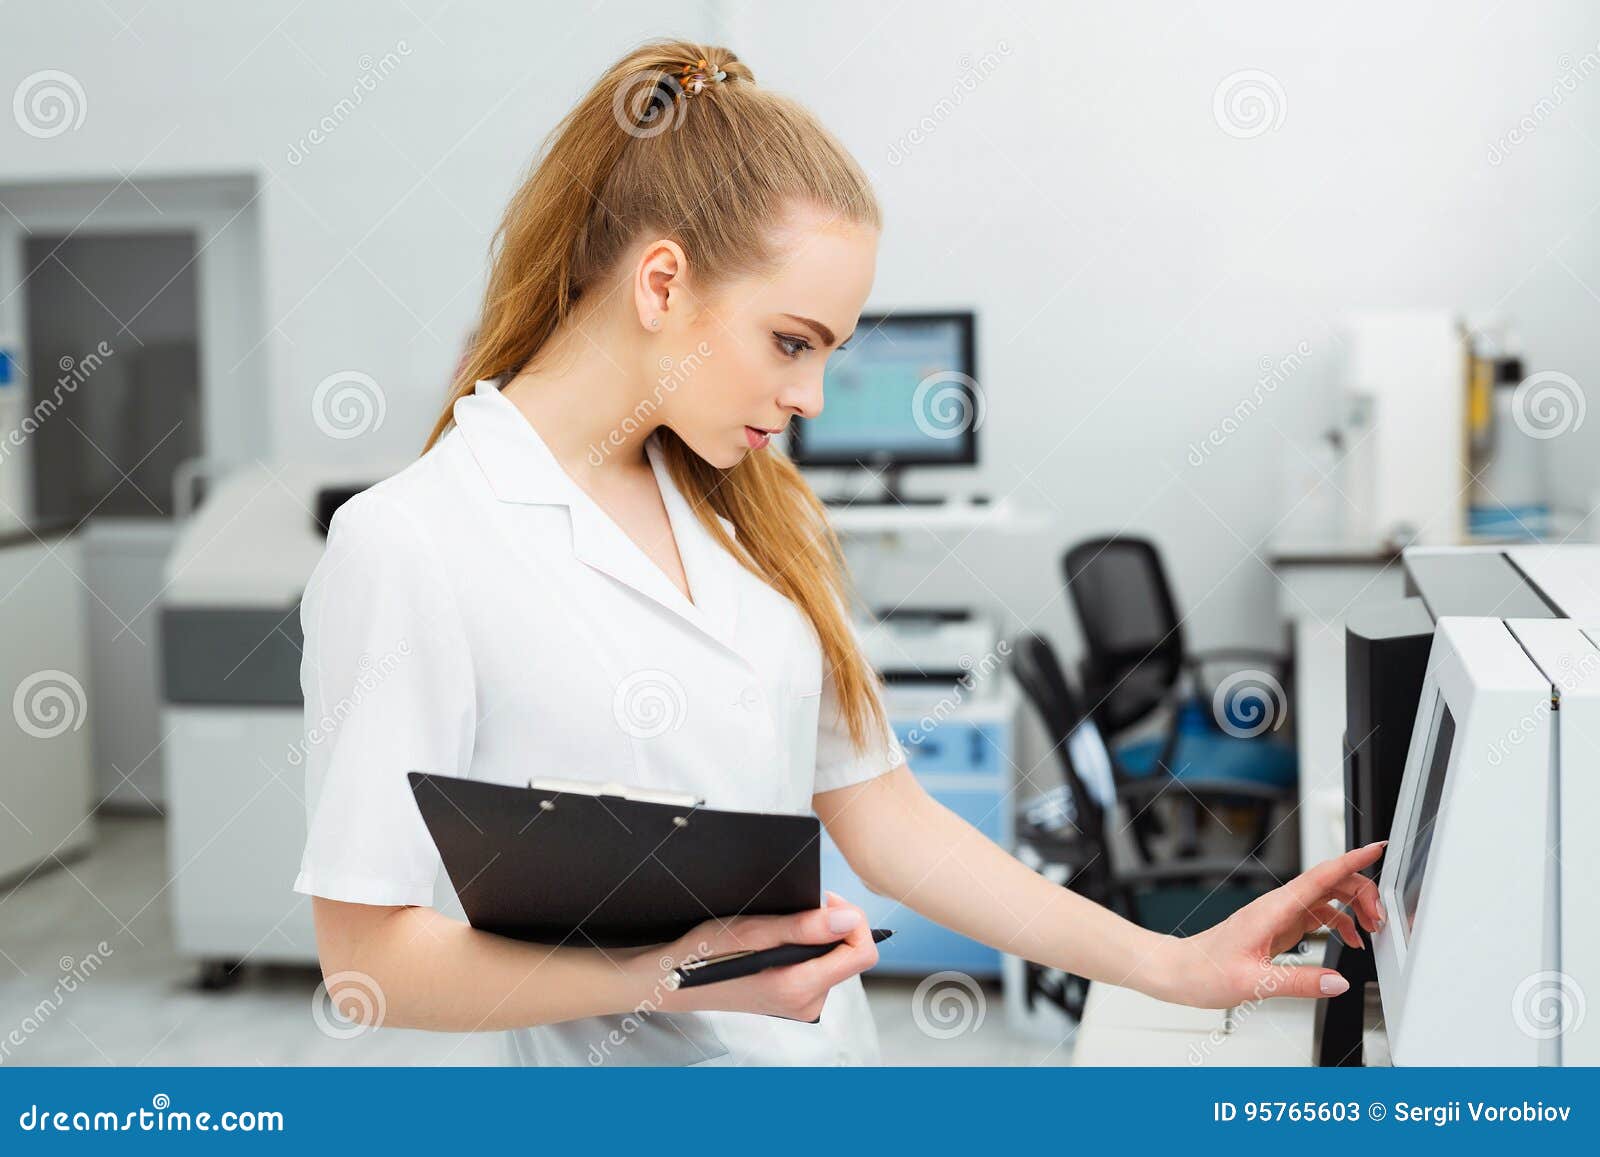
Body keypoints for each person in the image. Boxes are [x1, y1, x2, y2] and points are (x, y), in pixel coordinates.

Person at [293, 39, 1385, 1067]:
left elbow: (888, 817)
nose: (811, 397)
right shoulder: (415, 541)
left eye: (830, 350)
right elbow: (366, 963)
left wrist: (1169, 962)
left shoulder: (758, 511)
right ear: (661, 283)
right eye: (790, 341)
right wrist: (666, 973)